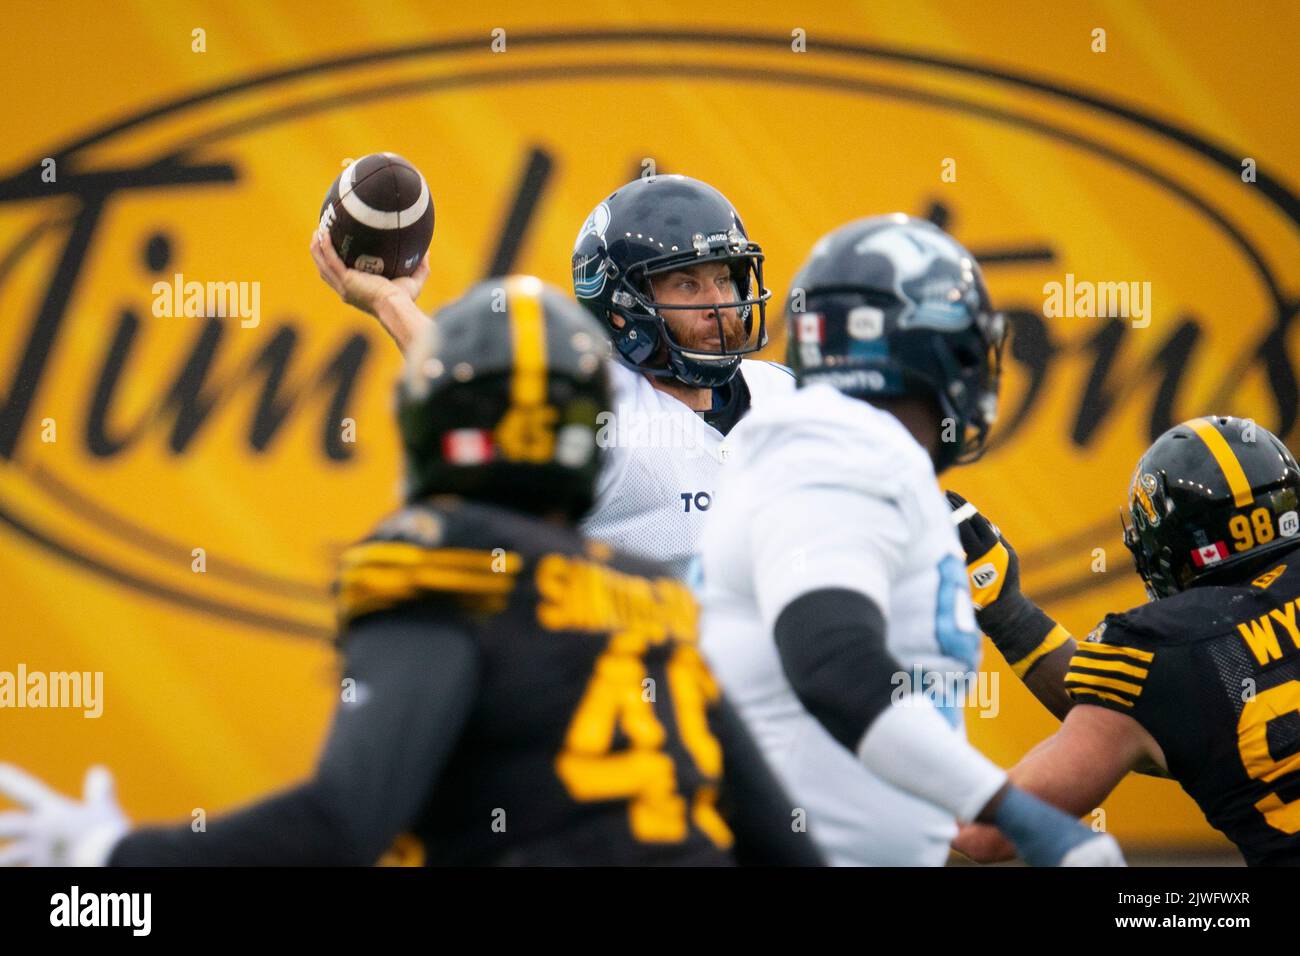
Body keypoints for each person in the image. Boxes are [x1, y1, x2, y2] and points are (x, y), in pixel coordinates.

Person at [0, 277, 821, 866]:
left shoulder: (442, 567)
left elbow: (343, 823)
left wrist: (112, 862)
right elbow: (787, 845)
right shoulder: (653, 600)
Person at [697, 213, 1124, 866]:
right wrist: (1029, 821)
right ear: (936, 351)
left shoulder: (813, 442)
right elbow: (831, 659)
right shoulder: (842, 445)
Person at [311, 174, 795, 579]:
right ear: (621, 305)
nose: (718, 303)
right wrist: (390, 302)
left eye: (725, 279)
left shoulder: (787, 395)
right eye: (687, 283)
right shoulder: (602, 403)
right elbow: (467, 383)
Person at [952, 416, 1300, 866]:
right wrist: (1010, 616)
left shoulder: (1161, 655)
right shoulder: (1166, 667)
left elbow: (989, 834)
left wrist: (878, 747)